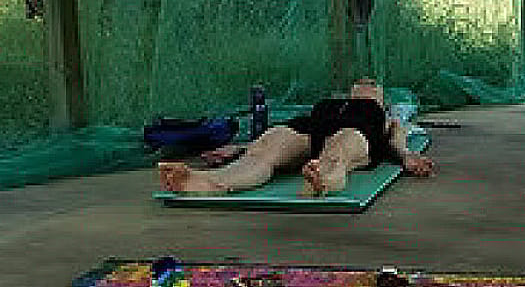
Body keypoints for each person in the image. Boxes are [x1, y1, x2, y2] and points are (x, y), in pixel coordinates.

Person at [158, 78, 436, 197]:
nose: (366, 87)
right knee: (269, 143)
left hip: (357, 134)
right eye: (361, 85)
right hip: (311, 129)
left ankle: (323, 180)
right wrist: (240, 148)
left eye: (373, 86)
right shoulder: (331, 104)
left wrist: (407, 156)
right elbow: (292, 131)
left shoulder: (383, 115)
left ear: (381, 96)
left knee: (338, 149)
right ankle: (209, 182)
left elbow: (397, 138)